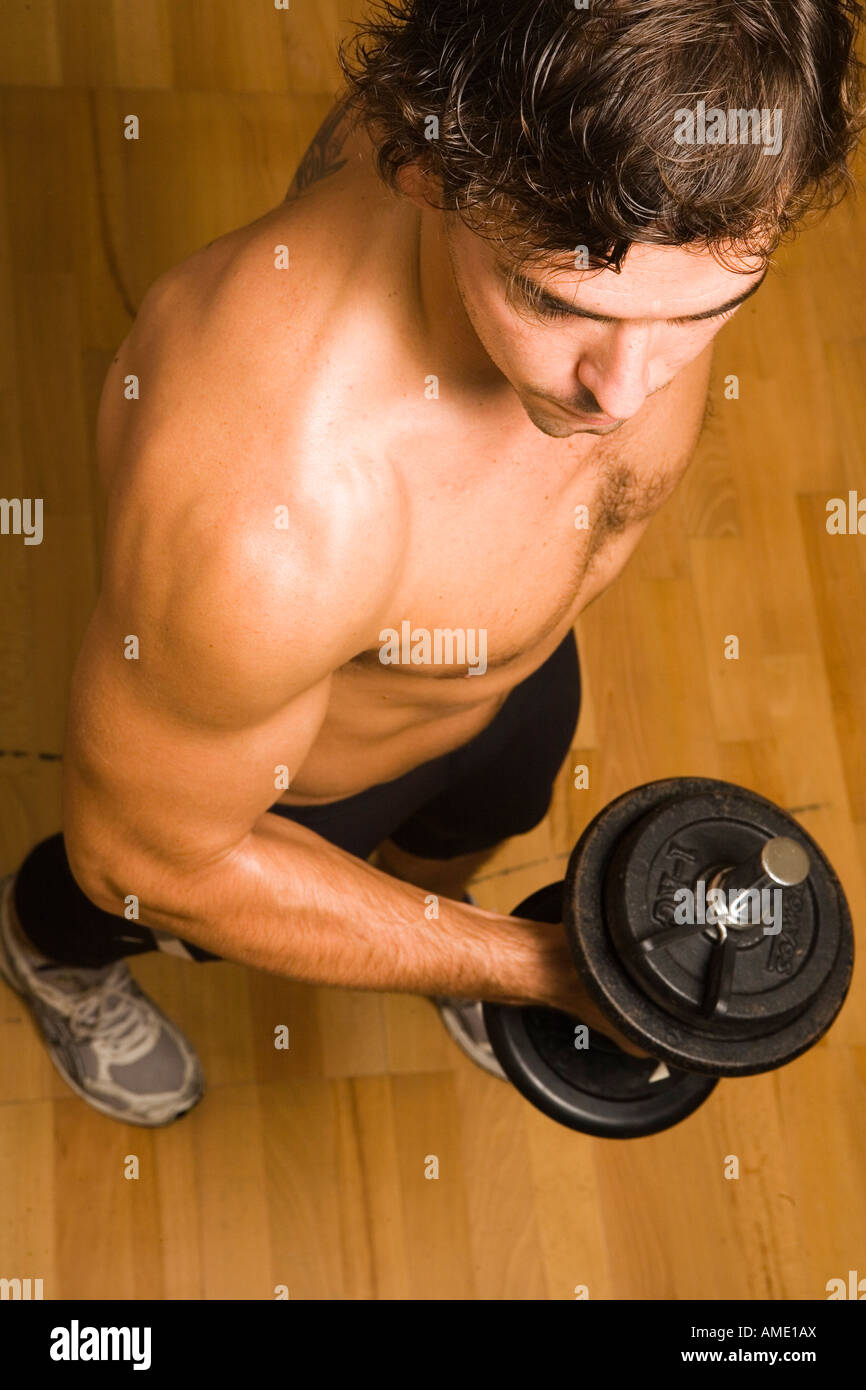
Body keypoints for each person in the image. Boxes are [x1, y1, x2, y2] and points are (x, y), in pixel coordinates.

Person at [1, 0, 861, 1126]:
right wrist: (545, 971)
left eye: (704, 312)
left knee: (482, 812)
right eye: (557, 303)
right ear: (426, 170)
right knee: (100, 899)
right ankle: (46, 958)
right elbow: (147, 857)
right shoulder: (272, 521)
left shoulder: (679, 165)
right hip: (297, 787)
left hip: (504, 665)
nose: (624, 389)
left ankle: (438, 923)